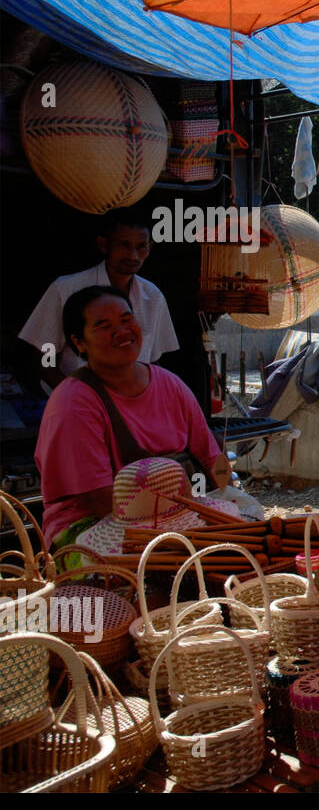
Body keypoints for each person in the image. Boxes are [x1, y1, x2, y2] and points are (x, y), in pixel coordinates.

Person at [34, 285, 231, 555]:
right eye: (103, 326)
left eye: (126, 320)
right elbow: (101, 502)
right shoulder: (72, 403)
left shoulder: (170, 384)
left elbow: (212, 459)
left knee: (243, 527)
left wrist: (227, 497)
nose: (121, 332)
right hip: (92, 526)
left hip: (175, 511)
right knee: (167, 562)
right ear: (79, 342)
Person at [18, 208, 178, 389]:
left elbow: (153, 360)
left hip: (130, 405)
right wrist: (71, 393)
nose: (133, 256)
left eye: (141, 247)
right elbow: (44, 355)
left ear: (150, 248)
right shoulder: (66, 289)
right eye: (124, 245)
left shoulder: (153, 296)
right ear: (104, 245)